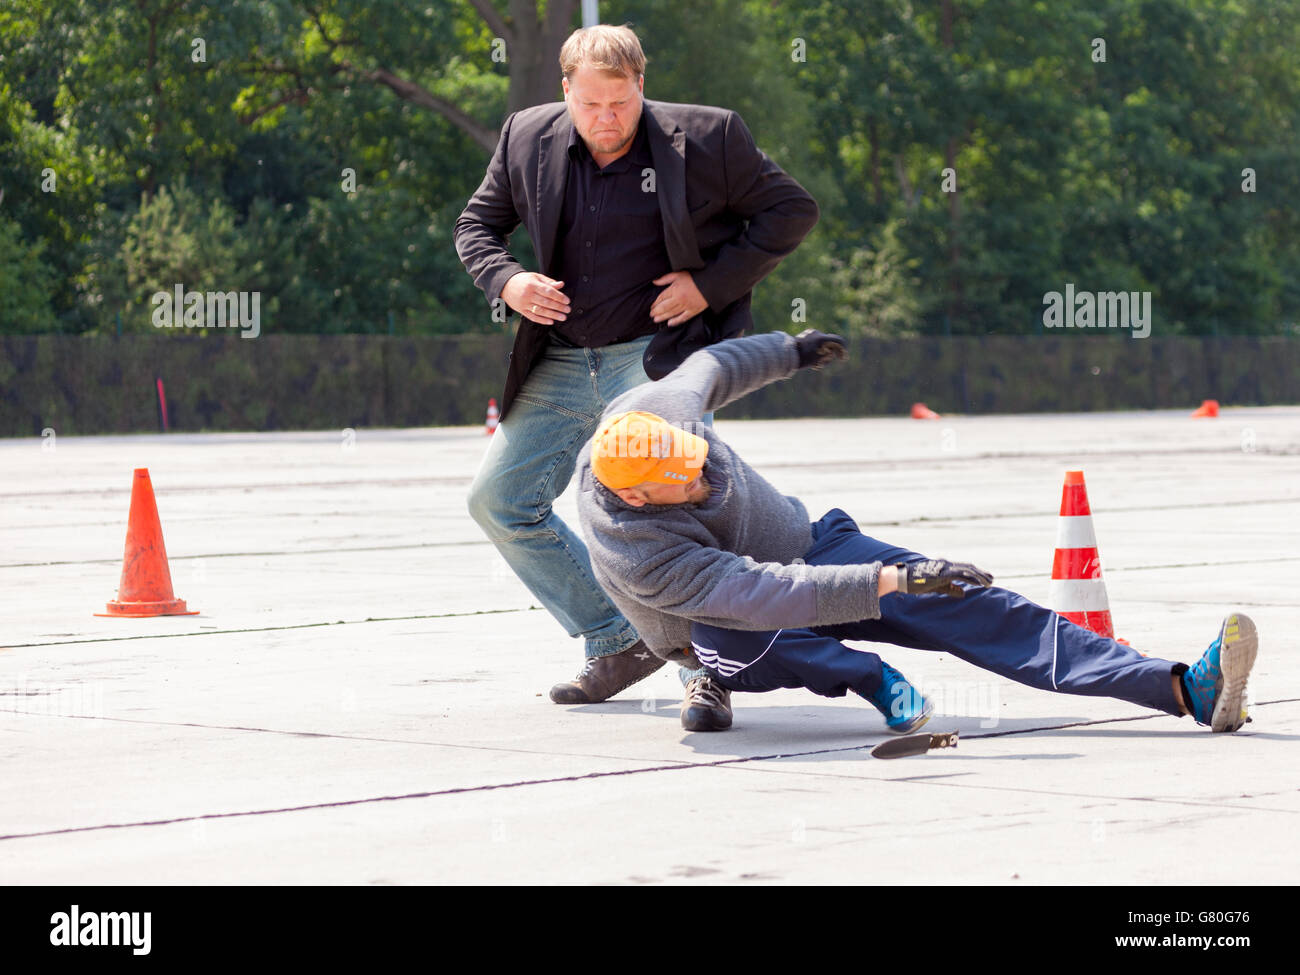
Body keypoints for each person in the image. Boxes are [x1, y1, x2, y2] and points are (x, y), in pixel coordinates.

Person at [575, 329, 1260, 735]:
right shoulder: (637, 548)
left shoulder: (660, 415)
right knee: (742, 631)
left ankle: (1182, 689)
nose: (700, 476)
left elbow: (714, 365)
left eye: (696, 459)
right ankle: (870, 681)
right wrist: (893, 582)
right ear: (635, 494)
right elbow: (761, 593)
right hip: (717, 623)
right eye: (683, 483)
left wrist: (790, 350)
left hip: (810, 545)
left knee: (977, 605)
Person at [453, 24, 819, 725]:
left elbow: (791, 210)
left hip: (653, 362)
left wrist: (709, 287)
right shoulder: (526, 136)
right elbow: (477, 225)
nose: (606, 120)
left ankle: (707, 669)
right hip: (559, 358)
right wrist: (507, 280)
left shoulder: (709, 138)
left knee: (674, 512)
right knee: (498, 501)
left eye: (619, 103)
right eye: (590, 105)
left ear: (641, 86)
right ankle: (620, 638)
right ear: (566, 91)